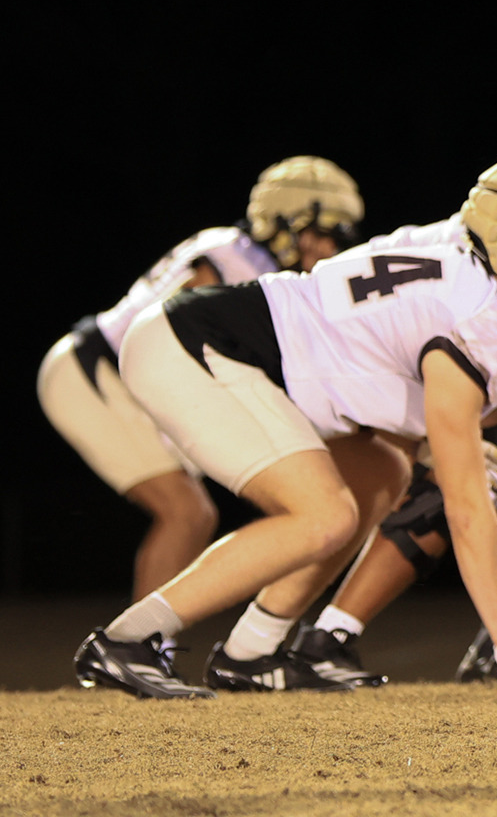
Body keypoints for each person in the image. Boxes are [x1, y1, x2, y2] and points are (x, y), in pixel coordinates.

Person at [72, 153, 497, 699]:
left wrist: (470, 442)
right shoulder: (481, 321)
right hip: (202, 346)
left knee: (380, 470)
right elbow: (467, 509)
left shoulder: (455, 265)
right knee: (323, 516)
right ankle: (129, 639)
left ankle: (254, 650)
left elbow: (384, 378)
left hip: (230, 346)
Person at [39, 157, 361, 611]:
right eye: (323, 232)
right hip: (98, 372)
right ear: (285, 221)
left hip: (119, 377)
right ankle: (136, 646)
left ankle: (149, 641)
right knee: (186, 511)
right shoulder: (233, 259)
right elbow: (169, 330)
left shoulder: (238, 252)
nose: (327, 248)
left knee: (207, 512)